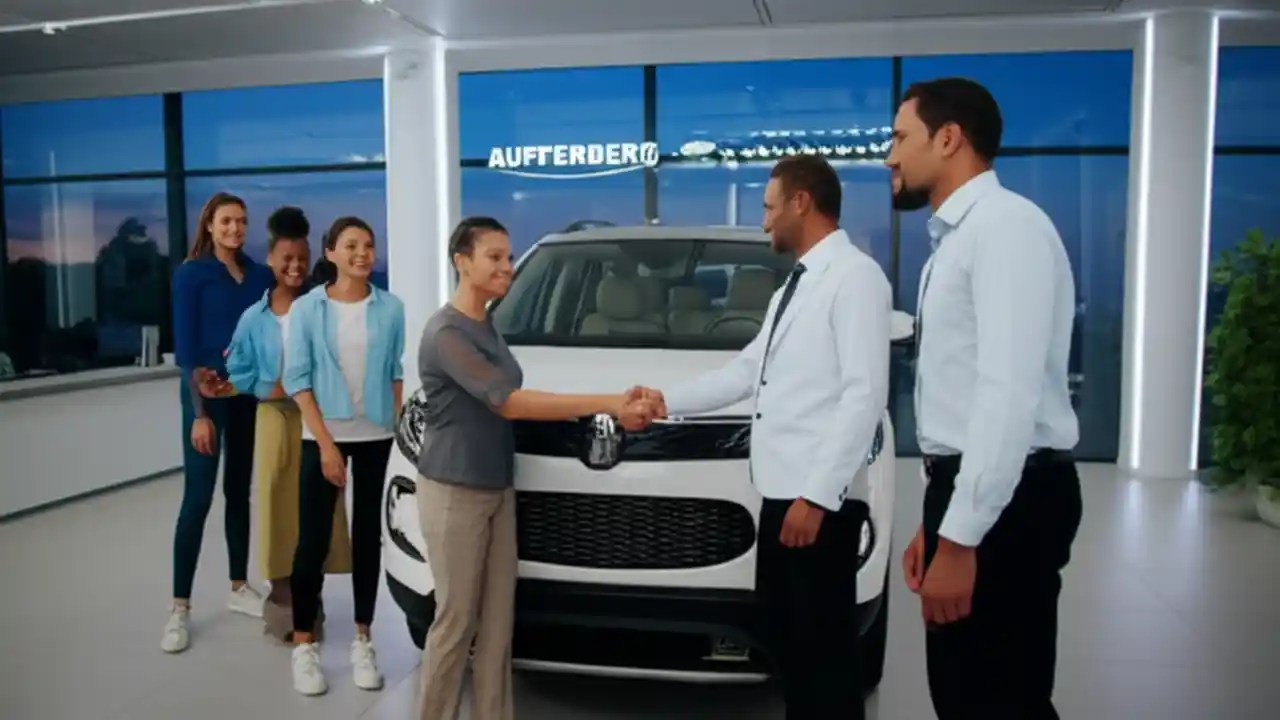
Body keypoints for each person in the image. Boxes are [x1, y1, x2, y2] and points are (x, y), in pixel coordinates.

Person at [630, 155, 892, 720]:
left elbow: (864, 396)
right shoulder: (795, 286)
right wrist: (666, 401)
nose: (765, 220)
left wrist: (817, 498)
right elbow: (748, 371)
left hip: (815, 505)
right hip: (779, 496)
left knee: (826, 660)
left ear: (802, 202)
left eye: (770, 207)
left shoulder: (855, 277)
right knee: (793, 652)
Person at [886, 77, 1082, 719]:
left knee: (998, 701)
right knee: (964, 694)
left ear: (948, 139)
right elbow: (963, 399)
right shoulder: (959, 239)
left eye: (900, 137)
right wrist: (939, 522)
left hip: (1014, 500)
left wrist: (961, 538)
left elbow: (1006, 395)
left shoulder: (1005, 229)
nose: (890, 156)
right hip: (979, 491)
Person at [415, 216, 659, 720]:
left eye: (508, 256)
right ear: (462, 262)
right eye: (495, 257)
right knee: (456, 623)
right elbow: (508, 402)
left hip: (497, 487)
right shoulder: (446, 333)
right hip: (455, 492)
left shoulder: (487, 324)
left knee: (497, 626)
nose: (508, 266)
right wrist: (609, 402)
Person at [282, 216, 403, 696]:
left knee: (368, 538)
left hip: (377, 434)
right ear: (330, 252)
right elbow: (297, 380)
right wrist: (327, 445)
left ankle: (362, 638)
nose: (362, 253)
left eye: (368, 245)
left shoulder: (390, 308)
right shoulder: (307, 309)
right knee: (311, 540)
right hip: (323, 435)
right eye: (351, 245)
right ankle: (304, 643)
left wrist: (401, 429)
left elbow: (395, 374)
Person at [222, 206, 354, 644]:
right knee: (277, 507)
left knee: (316, 508)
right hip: (275, 420)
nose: (295, 267)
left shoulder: (324, 310)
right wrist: (273, 387)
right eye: (286, 259)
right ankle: (283, 601)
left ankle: (310, 598)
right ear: (271, 259)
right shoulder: (253, 318)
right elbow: (238, 372)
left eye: (301, 258)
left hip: (318, 418)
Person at [162, 192, 272, 654]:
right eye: (226, 221)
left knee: (238, 492)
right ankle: (179, 608)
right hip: (204, 397)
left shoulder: (259, 276)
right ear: (209, 225)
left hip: (244, 396)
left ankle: (238, 587)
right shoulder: (191, 275)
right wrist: (199, 415)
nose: (235, 228)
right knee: (198, 497)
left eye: (241, 221)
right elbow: (187, 351)